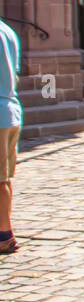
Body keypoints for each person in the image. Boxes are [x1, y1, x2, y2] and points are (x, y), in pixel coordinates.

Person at [0, 18, 20, 254]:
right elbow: (15, 75)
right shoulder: (7, 30)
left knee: (1, 179)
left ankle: (5, 235)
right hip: (10, 111)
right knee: (4, 178)